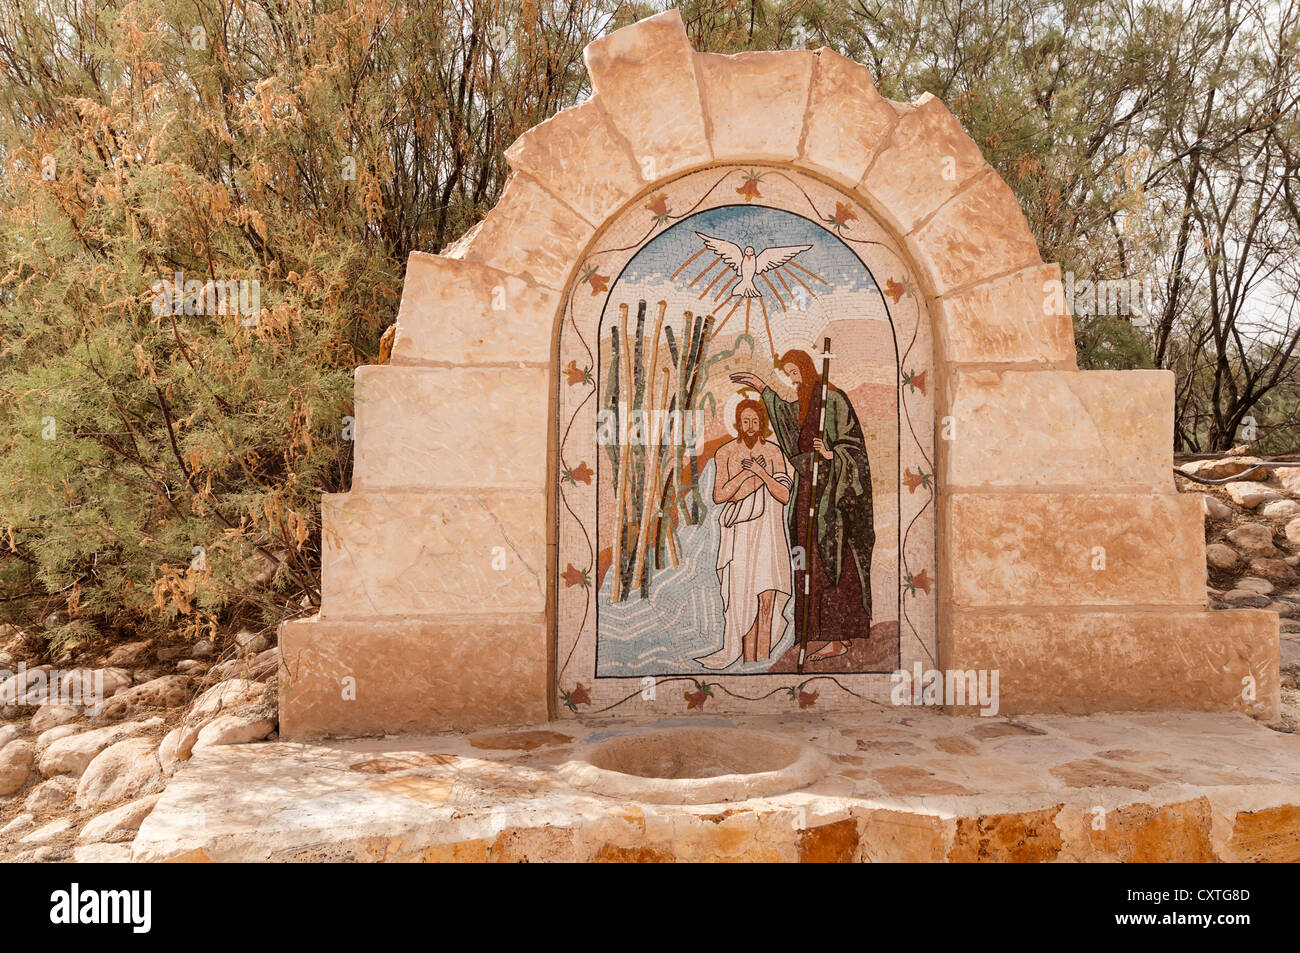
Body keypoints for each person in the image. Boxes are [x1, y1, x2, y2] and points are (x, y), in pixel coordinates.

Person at [730, 349, 874, 662]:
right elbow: (786, 419)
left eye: (795, 373)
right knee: (806, 560)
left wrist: (832, 454)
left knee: (833, 559)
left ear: (807, 370)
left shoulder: (833, 400)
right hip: (807, 491)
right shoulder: (805, 403)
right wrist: (761, 387)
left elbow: (855, 448)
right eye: (788, 375)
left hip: (832, 498)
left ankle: (839, 637)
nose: (793, 380)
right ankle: (815, 634)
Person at [697, 399, 792, 669]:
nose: (750, 426)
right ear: (738, 424)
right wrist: (745, 475)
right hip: (740, 533)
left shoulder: (773, 452)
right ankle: (749, 660)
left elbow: (784, 495)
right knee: (744, 599)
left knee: (767, 597)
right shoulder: (726, 452)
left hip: (769, 532)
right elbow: (719, 496)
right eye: (745, 421)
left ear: (762, 424)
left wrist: (761, 472)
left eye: (755, 421)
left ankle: (763, 659)